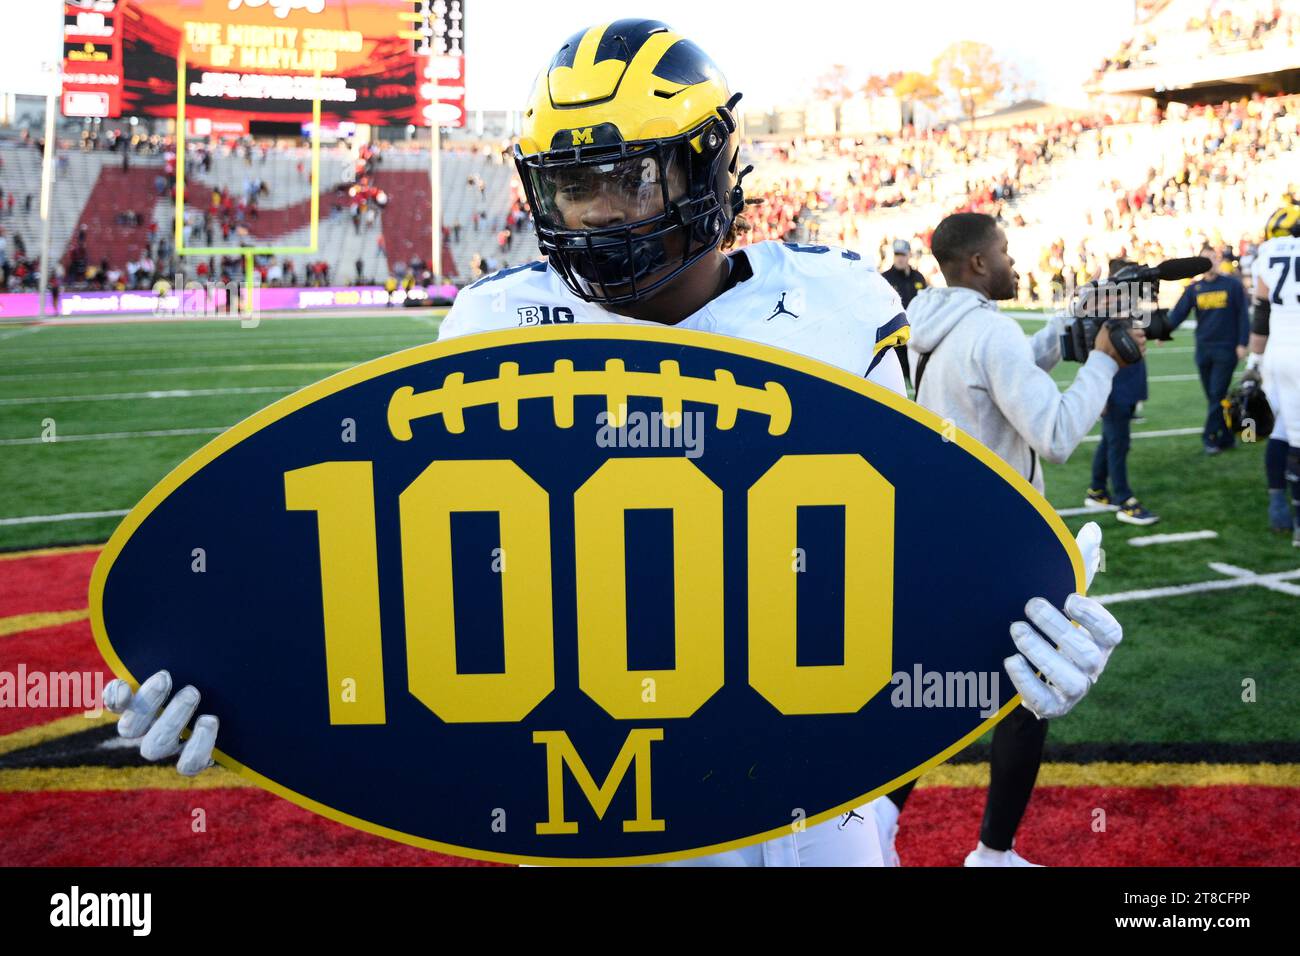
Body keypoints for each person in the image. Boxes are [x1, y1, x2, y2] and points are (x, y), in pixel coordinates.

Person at [101, 21, 1124, 868]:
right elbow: (416, 588)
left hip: (820, 815)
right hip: (586, 819)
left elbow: (899, 560)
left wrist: (1011, 630)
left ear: (707, 163)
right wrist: (229, 667)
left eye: (623, 181)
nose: (593, 216)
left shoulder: (841, 306)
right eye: (570, 187)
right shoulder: (498, 323)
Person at [898, 211, 1140, 867]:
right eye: (1003, 252)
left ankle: (875, 828)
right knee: (1028, 695)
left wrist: (1071, 326)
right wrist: (1102, 361)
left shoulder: (931, 325)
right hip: (999, 542)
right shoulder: (987, 329)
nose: (1013, 262)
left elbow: (997, 364)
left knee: (927, 695)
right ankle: (993, 852)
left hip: (945, 531)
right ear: (977, 263)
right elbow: (1057, 436)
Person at [1085, 259, 1160, 525]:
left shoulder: (1126, 304)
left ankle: (1097, 490)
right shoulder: (1103, 308)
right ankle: (1124, 499)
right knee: (1118, 444)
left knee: (1111, 441)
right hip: (1115, 387)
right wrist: (1101, 396)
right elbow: (1094, 353)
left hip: (1128, 384)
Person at [1246, 203, 1300, 546]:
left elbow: (1261, 312)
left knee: (1281, 429)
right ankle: (1298, 524)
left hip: (1275, 354)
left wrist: (1253, 361)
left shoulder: (1265, 253)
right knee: (1297, 440)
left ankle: (1278, 506)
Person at [1167, 247, 1251, 454]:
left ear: (1218, 260)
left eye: (1212, 258)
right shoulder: (1194, 288)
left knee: (1216, 394)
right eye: (1205, 259)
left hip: (1226, 349)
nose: (1209, 262)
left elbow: (1243, 316)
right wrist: (1163, 332)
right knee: (1214, 397)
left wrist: (1242, 343)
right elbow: (1178, 314)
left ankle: (1209, 438)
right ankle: (1228, 436)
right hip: (1203, 350)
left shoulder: (1232, 284)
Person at [880, 239, 928, 387]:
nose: (900, 258)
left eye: (903, 254)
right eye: (897, 254)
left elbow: (925, 304)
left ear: (909, 255)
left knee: (917, 378)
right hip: (895, 337)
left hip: (915, 335)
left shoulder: (918, 277)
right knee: (896, 381)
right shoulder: (885, 278)